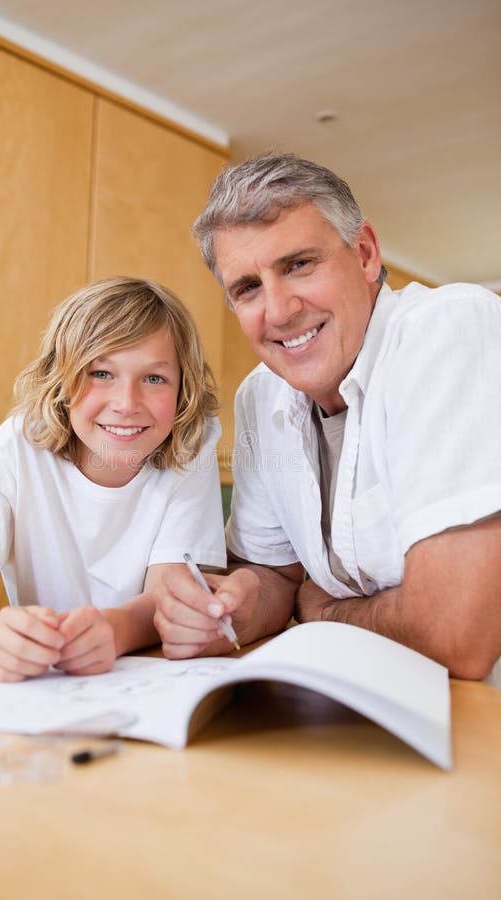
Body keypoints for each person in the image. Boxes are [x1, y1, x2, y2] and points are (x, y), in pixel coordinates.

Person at [154, 153, 501, 685]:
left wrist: (319, 609)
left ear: (364, 254)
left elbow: (454, 635)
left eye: (298, 264)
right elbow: (277, 574)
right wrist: (239, 603)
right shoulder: (260, 397)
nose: (278, 310)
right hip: (369, 701)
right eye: (247, 287)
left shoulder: (448, 330)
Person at [0, 277, 226, 681]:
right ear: (61, 381)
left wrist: (114, 630)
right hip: (44, 686)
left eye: (154, 378)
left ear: (183, 391)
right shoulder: (17, 450)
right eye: (101, 373)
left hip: (152, 681)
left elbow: (171, 597)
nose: (126, 404)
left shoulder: (191, 446)